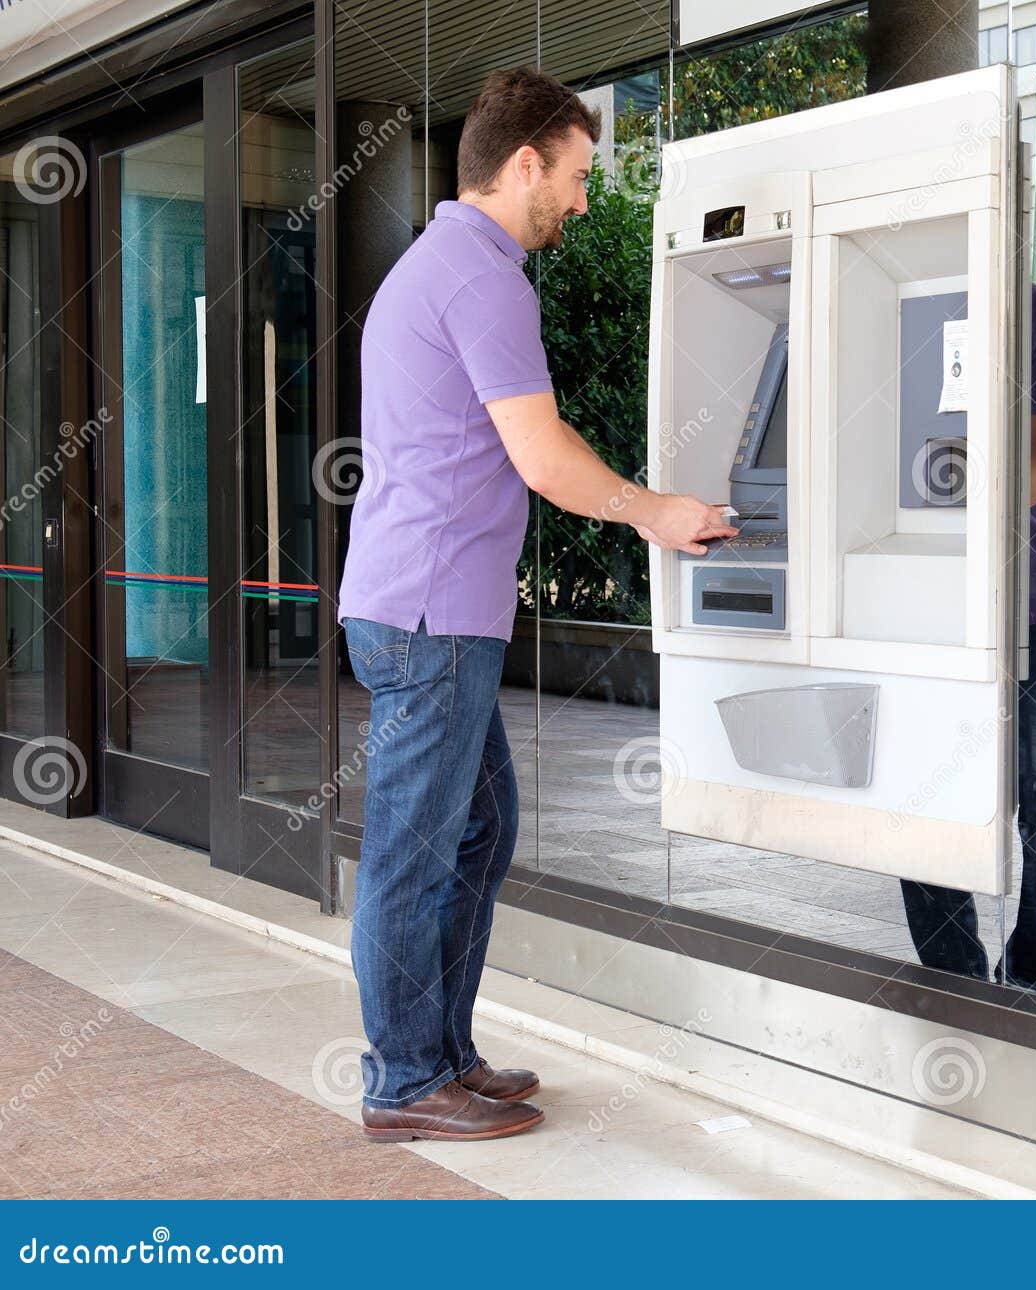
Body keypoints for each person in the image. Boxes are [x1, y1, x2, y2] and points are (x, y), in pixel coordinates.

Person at [337, 68, 736, 1143]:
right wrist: (656, 512)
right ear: (524, 164)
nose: (580, 200)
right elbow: (543, 454)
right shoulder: (483, 278)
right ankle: (404, 1082)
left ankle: (442, 1053)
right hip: (433, 615)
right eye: (574, 176)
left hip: (422, 604)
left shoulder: (441, 265)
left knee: (477, 828)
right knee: (415, 852)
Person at [900, 284, 1036, 995]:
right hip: (927, 604)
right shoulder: (908, 309)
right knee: (921, 795)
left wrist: (908, 486)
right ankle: (959, 983)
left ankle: (1024, 978)